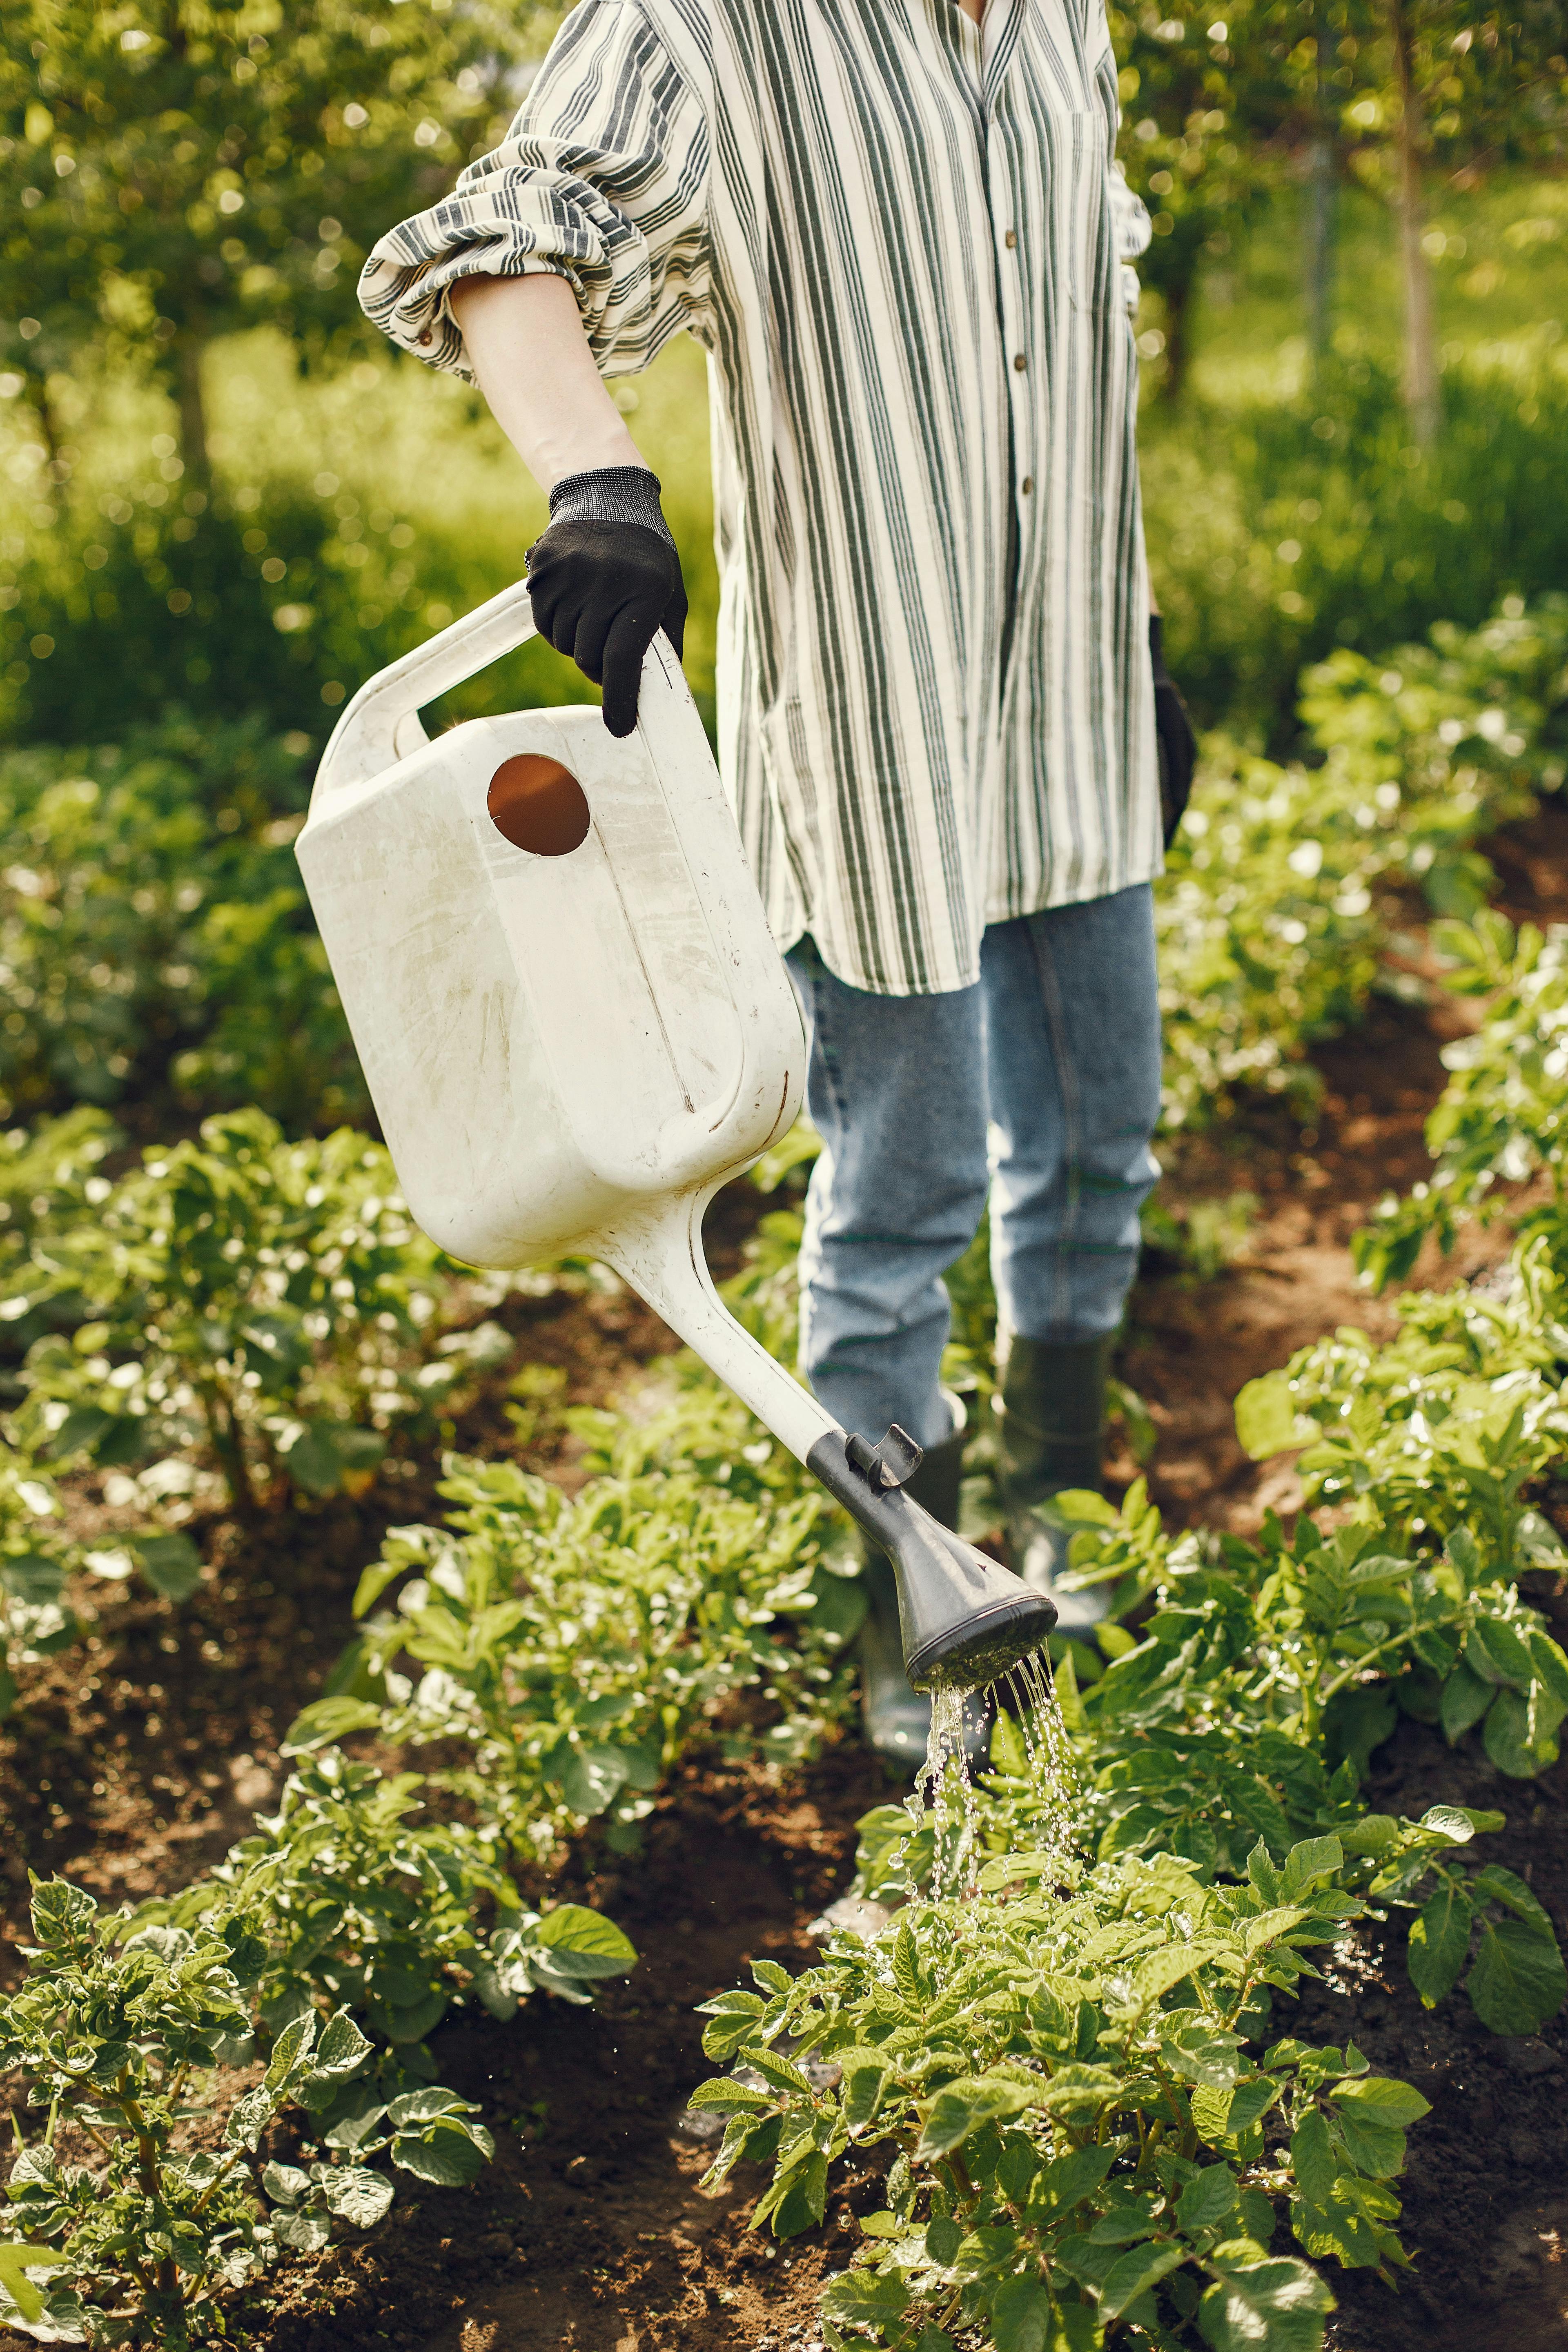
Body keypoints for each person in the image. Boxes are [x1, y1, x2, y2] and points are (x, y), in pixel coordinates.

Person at [359, 0, 1195, 1768]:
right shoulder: (725, 25)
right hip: (886, 729)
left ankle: (1060, 1498)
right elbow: (506, 247)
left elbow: (1074, 345)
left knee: (1102, 1133)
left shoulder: (1065, 25)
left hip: (1070, 711)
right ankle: (920, 1601)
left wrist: (1137, 640)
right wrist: (597, 478)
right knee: (899, 1208)